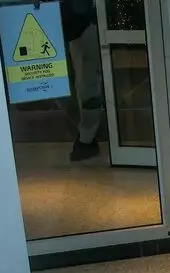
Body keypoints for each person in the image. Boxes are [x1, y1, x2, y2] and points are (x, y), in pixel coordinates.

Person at [60, 0, 105, 161]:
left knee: (87, 84)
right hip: (79, 23)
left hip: (82, 24)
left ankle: (87, 138)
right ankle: (87, 137)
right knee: (86, 83)